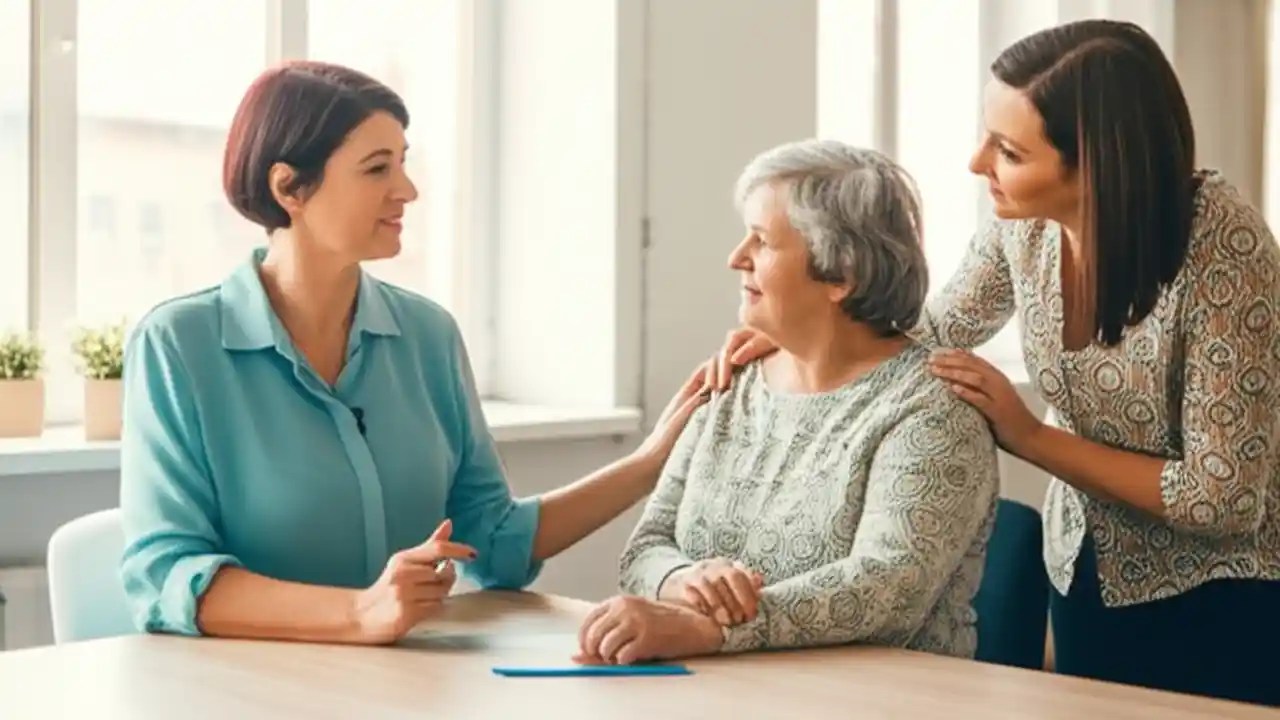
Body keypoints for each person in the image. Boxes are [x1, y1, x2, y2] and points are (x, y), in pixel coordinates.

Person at [709, 20, 1280, 706]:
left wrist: (1032, 438)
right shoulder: (1021, 223)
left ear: (1095, 164)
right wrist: (804, 327)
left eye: (1008, 150)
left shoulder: (1226, 250)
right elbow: (932, 329)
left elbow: (1221, 497)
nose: (977, 163)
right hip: (1085, 563)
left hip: (1223, 592)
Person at [119, 61, 709, 645]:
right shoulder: (179, 345)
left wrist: (652, 462)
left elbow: (493, 540)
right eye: (378, 169)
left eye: (403, 163)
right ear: (287, 187)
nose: (408, 190)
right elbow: (167, 575)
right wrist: (359, 613)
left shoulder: (428, 336)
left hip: (408, 687)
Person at [575, 140, 1000, 666]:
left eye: (762, 241)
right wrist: (687, 583)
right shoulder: (732, 384)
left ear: (840, 275)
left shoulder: (933, 410)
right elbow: (647, 547)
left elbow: (886, 589)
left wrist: (710, 629)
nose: (736, 258)